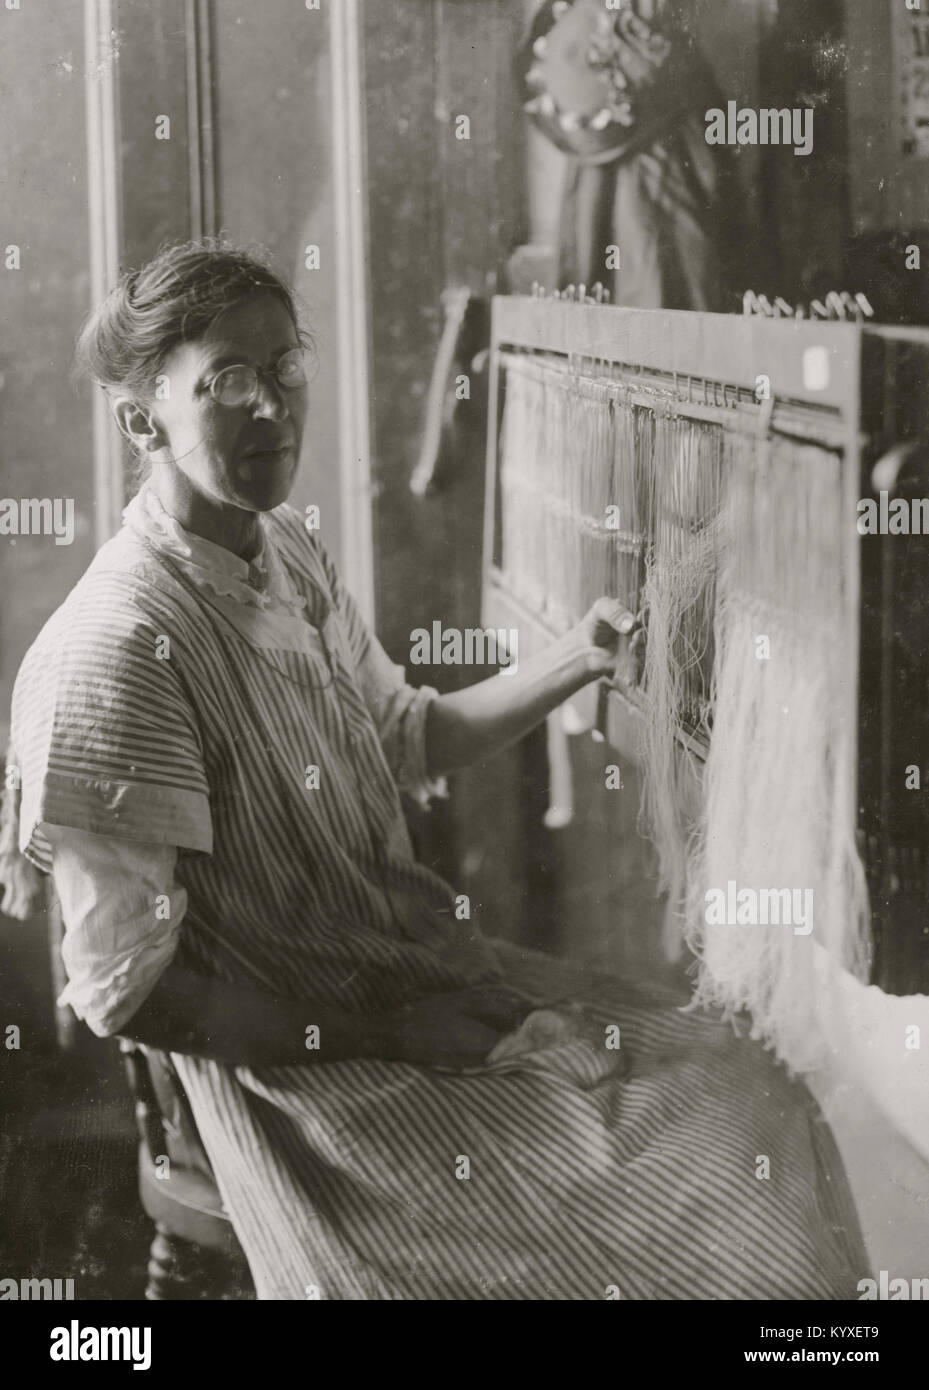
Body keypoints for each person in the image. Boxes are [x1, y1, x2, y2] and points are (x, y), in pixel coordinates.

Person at [9, 240, 867, 1300]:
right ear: (142, 418)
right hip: (314, 1089)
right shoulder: (115, 648)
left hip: (409, 977)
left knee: (753, 1087)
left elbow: (403, 734)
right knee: (721, 1173)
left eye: (286, 366)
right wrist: (388, 1030)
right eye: (227, 380)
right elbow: (131, 992)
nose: (272, 407)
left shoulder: (284, 555)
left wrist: (578, 655)